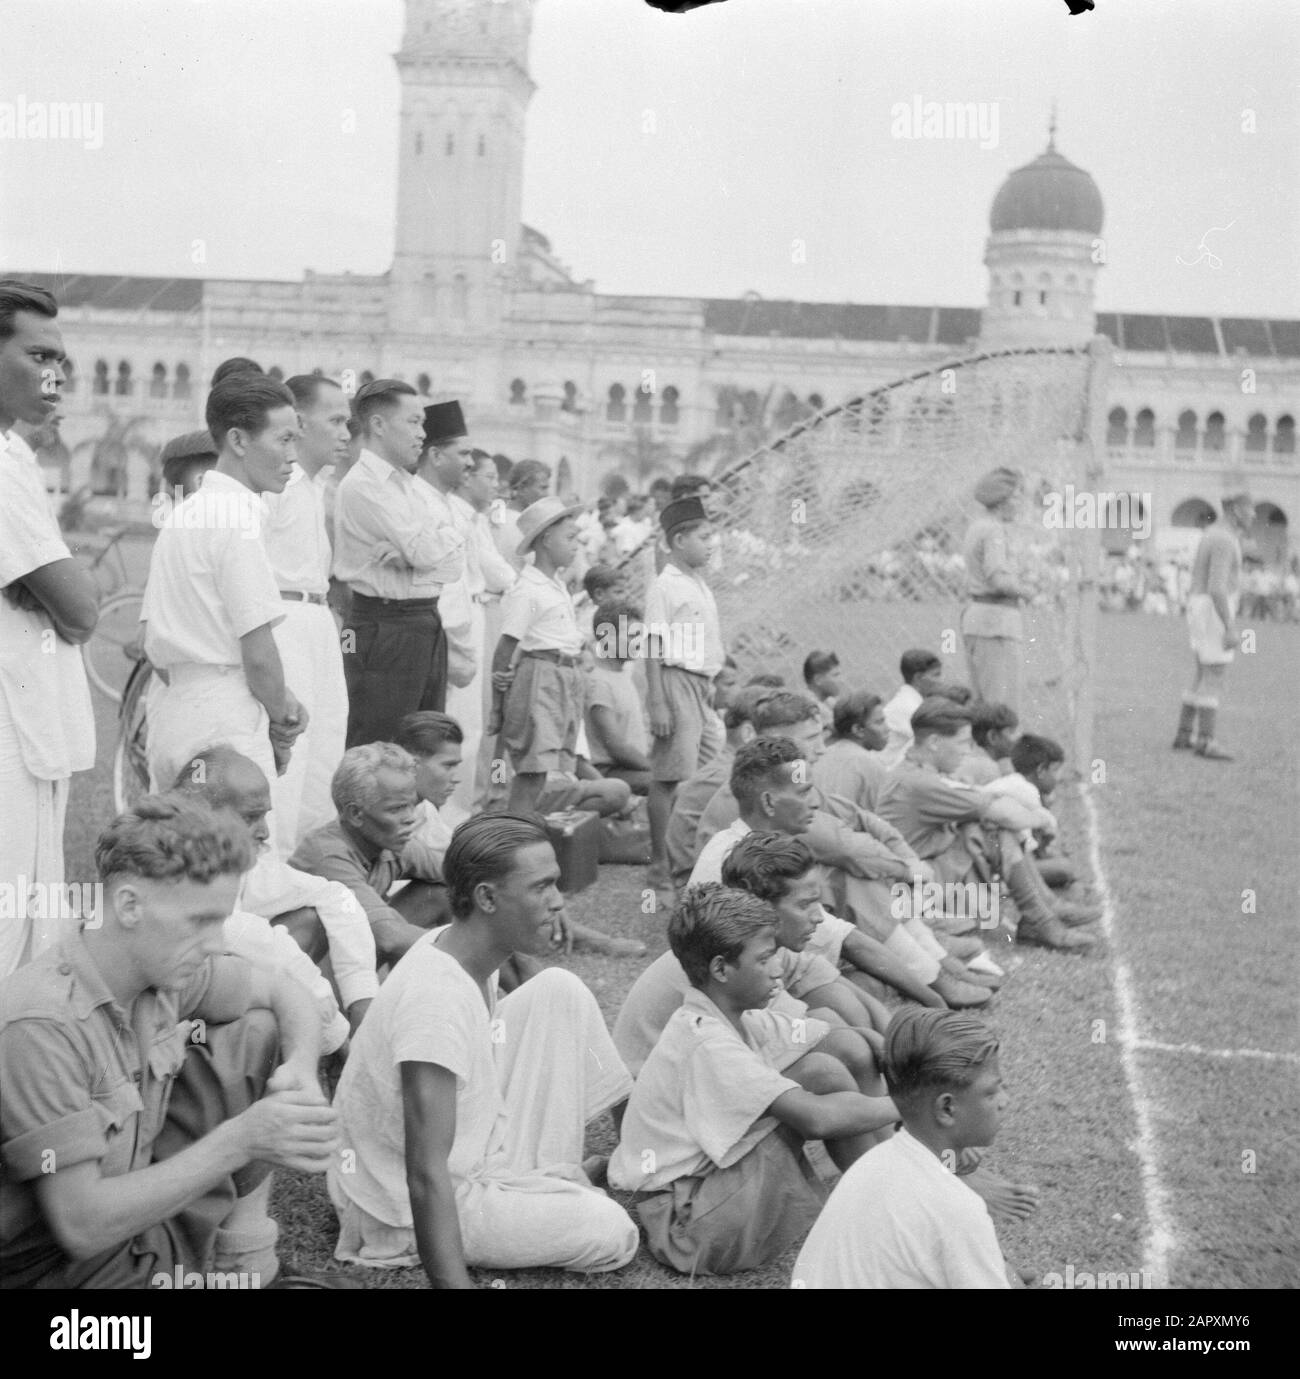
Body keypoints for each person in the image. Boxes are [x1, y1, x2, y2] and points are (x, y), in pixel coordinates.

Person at [0, 795, 338, 1288]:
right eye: (201, 921)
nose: (218, 942)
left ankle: (230, 1260)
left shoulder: (157, 974)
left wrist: (300, 1070)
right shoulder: (41, 1025)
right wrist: (243, 1138)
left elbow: (285, 990)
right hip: (55, 1278)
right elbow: (81, 1227)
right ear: (129, 905)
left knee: (257, 1027)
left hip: (140, 1242)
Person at [327, 814, 638, 1284]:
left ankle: (550, 1179)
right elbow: (425, 1171)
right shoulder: (435, 1000)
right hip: (395, 1206)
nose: (558, 902)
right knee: (612, 1230)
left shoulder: (464, 948)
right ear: (487, 898)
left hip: (465, 1148)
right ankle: (546, 1185)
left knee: (560, 990)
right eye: (542, 888)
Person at [607, 884, 898, 1276]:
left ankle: (887, 1191)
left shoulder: (734, 1018)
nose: (778, 969)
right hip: (690, 1228)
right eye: (764, 959)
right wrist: (906, 1103)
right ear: (721, 969)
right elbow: (817, 1120)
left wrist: (886, 1048)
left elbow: (822, 1031)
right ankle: (888, 1205)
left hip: (700, 1195)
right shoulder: (707, 1041)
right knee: (819, 1081)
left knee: (822, 1068)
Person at [140, 373, 309, 851]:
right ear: (237, 440)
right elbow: (257, 654)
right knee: (237, 876)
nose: (293, 455)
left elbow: (156, 638)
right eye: (283, 439)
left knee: (177, 866)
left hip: (175, 714)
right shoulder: (234, 520)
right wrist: (283, 716)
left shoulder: (186, 515)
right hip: (224, 718)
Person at [694, 737, 991, 1008]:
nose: (813, 801)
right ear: (769, 802)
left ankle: (936, 970)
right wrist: (933, 1001)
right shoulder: (745, 859)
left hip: (771, 965)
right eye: (804, 792)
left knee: (849, 889)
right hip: (745, 985)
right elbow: (848, 941)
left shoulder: (760, 843)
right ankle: (935, 977)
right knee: (863, 982)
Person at [0, 281, 98, 975]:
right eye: (37, 355)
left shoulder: (14, 458)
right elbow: (83, 607)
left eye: (60, 358)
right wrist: (54, 595)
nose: (54, 375)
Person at [792, 1007, 1023, 1289]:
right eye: (992, 1092)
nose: (1005, 1101)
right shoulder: (959, 1209)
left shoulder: (873, 1162)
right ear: (947, 1108)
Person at [170, 745, 378, 1035]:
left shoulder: (238, 864)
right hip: (172, 1020)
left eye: (264, 816)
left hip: (209, 995)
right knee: (263, 1017)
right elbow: (255, 938)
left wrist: (362, 1000)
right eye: (250, 817)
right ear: (201, 816)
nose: (265, 832)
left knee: (310, 918)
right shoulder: (173, 868)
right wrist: (335, 1031)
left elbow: (336, 895)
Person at [876, 698, 1097, 953]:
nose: (966, 752)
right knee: (995, 828)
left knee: (982, 826)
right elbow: (1005, 815)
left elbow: (982, 799)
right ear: (935, 742)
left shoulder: (914, 770)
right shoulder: (920, 782)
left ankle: (1042, 909)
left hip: (920, 881)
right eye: (961, 743)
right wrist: (1042, 819)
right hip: (911, 893)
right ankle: (1040, 915)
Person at [335, 379, 465, 746]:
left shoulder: (406, 485)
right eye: (413, 422)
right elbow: (428, 551)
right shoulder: (364, 485)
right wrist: (428, 551)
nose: (423, 434)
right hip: (385, 627)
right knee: (382, 744)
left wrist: (415, 558)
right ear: (378, 425)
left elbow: (453, 566)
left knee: (425, 744)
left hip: (423, 621)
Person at [258, 374, 352, 853]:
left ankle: (307, 864)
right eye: (334, 420)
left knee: (324, 752)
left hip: (317, 621)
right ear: (299, 421)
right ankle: (271, 868)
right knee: (290, 760)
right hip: (284, 620)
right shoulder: (279, 483)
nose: (345, 433)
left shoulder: (317, 488)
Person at [290, 743, 458, 967]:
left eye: (411, 805)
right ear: (356, 814)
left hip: (348, 955)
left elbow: (458, 874)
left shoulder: (389, 842)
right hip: (303, 975)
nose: (410, 818)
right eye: (396, 809)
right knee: (386, 932)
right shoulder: (327, 855)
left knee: (443, 893)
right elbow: (388, 937)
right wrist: (471, 947)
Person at [645, 495, 727, 893]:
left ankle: (698, 855)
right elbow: (652, 646)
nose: (712, 544)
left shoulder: (697, 583)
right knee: (668, 777)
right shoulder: (665, 585)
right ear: (679, 540)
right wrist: (658, 700)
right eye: (705, 536)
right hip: (676, 683)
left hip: (701, 686)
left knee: (709, 772)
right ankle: (660, 866)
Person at [488, 496, 586, 814]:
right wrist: (497, 706)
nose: (577, 546)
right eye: (570, 538)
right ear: (545, 540)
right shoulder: (527, 589)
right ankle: (515, 833)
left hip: (564, 677)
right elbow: (505, 648)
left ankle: (524, 829)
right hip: (540, 676)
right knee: (531, 770)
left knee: (545, 768)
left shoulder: (555, 584)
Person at [446, 448, 517, 815]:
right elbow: (493, 573)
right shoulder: (455, 516)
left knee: (481, 724)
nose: (495, 485)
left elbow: (497, 570)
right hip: (466, 617)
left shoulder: (477, 519)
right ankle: (458, 812)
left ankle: (476, 805)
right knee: (465, 722)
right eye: (488, 477)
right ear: (467, 477)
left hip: (480, 614)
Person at [1173, 493, 1255, 761]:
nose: (1253, 514)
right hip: (1212, 607)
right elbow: (1217, 587)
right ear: (1235, 510)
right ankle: (1206, 741)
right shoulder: (1224, 538)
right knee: (1215, 674)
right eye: (1249, 509)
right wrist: (1230, 626)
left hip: (1199, 605)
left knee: (1201, 672)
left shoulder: (1212, 534)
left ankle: (1185, 733)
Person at [960, 467, 1032, 712]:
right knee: (1002, 708)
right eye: (1017, 497)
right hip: (996, 621)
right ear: (1003, 501)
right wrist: (1027, 591)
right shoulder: (994, 530)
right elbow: (999, 580)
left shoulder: (977, 526)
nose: (1020, 503)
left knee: (982, 704)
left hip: (978, 617)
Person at [587, 600, 653, 793]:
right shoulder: (599, 683)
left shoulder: (621, 675)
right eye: (632, 636)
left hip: (630, 767)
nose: (638, 642)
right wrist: (654, 768)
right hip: (610, 771)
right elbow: (616, 747)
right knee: (667, 785)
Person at [813, 689, 889, 812]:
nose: (887, 729)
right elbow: (883, 817)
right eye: (879, 722)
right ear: (858, 730)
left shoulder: (822, 755)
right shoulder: (870, 764)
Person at [880, 649, 945, 770]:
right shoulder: (908, 706)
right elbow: (935, 744)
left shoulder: (913, 700)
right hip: (890, 770)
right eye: (936, 675)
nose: (941, 681)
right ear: (918, 678)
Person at [491, 459, 551, 573]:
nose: (547, 495)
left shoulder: (501, 515)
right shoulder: (520, 524)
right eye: (542, 488)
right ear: (521, 488)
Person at [956, 701, 1019, 786]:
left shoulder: (967, 760)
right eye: (1011, 732)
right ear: (993, 737)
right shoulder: (989, 769)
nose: (1017, 737)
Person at [802, 649, 842, 741]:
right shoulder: (812, 703)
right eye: (835, 675)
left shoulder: (826, 700)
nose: (841, 681)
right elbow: (841, 730)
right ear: (818, 680)